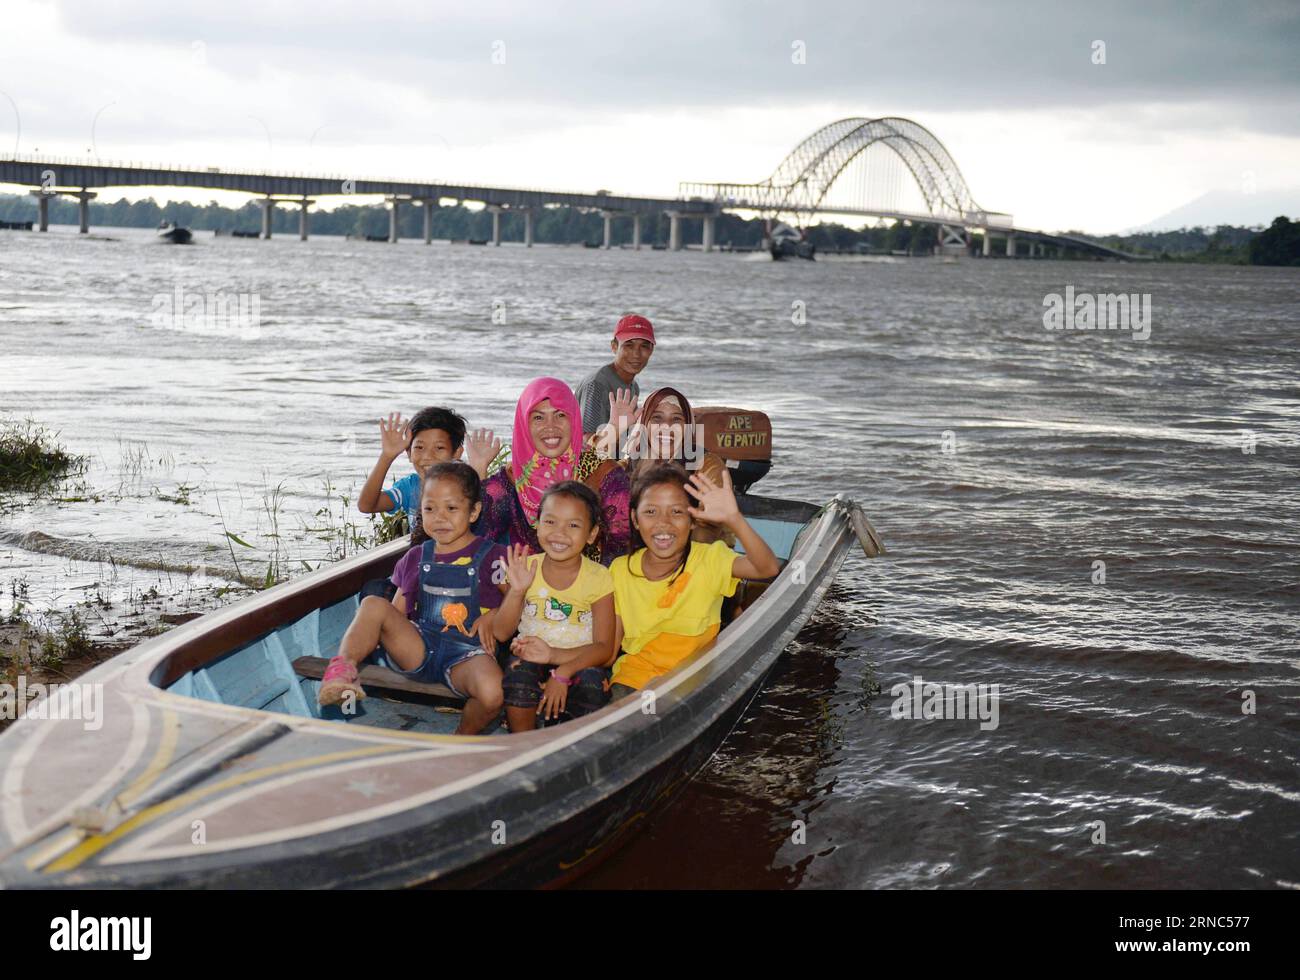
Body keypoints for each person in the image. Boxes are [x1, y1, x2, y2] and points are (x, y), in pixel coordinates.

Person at [319, 461, 507, 735]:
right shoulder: (416, 557)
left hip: (469, 654)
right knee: (374, 604)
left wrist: (494, 614)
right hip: (419, 647)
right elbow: (397, 613)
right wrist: (386, 631)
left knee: (493, 693)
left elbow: (518, 608)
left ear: (474, 511)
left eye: (451, 508)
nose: (439, 517)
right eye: (430, 508)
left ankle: (461, 740)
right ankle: (342, 672)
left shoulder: (495, 557)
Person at [607, 463, 780, 699]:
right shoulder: (619, 570)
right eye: (650, 512)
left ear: (693, 519)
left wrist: (734, 519)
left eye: (677, 511)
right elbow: (610, 648)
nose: (663, 522)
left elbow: (768, 567)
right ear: (634, 519)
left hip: (695, 681)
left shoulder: (709, 559)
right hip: (633, 681)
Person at [493, 482, 615, 731]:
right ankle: (524, 744)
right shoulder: (525, 567)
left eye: (573, 525)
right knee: (518, 673)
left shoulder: (599, 577)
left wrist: (562, 669)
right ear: (537, 524)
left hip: (578, 660)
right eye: (550, 522)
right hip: (529, 657)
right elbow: (501, 633)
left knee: (593, 684)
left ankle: (570, 749)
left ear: (592, 534)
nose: (560, 533)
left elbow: (604, 648)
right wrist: (517, 591)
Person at [472, 377, 631, 565]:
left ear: (573, 418)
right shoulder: (511, 479)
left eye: (560, 415)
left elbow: (621, 549)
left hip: (592, 590)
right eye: (538, 417)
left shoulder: (605, 474)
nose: (551, 426)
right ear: (524, 424)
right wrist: (478, 470)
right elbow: (474, 536)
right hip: (522, 589)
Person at [610, 386, 732, 545]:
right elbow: (589, 479)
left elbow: (709, 527)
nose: (666, 426)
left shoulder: (706, 465)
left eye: (676, 419)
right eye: (657, 418)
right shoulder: (630, 464)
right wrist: (613, 429)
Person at [357, 406, 468, 532]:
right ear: (409, 453)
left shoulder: (465, 486)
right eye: (419, 447)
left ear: (456, 453)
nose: (427, 456)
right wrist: (387, 456)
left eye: (439, 448)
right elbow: (366, 506)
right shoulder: (409, 487)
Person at [573, 314, 655, 439]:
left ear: (651, 350)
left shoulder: (633, 385)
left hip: (613, 454)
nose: (636, 354)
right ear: (614, 347)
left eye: (644, 346)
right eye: (629, 345)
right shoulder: (597, 384)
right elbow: (587, 441)